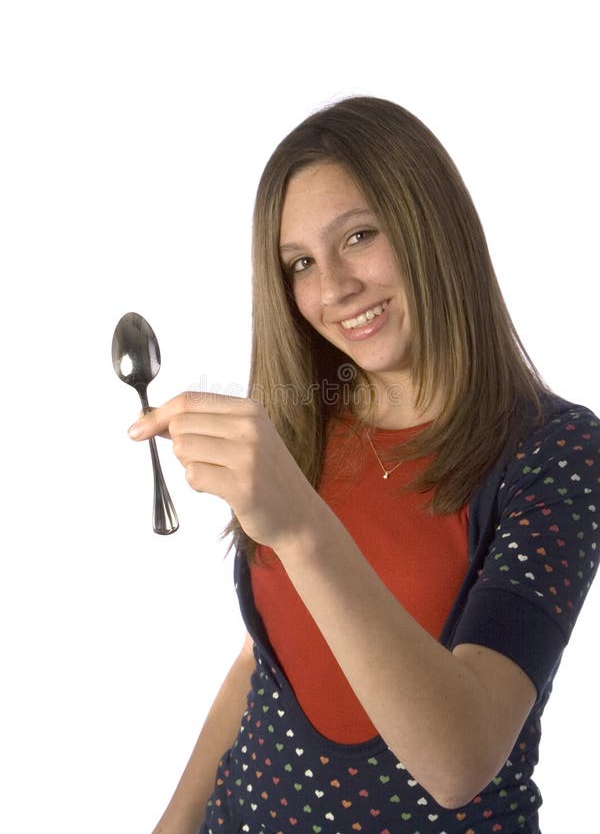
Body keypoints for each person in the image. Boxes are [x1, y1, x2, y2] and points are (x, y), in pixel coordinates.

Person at [131, 96, 599, 834]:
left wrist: (302, 527)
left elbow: (459, 762)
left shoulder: (555, 452)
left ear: (430, 225)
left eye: (358, 235)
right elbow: (268, 659)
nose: (332, 289)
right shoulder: (309, 418)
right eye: (300, 264)